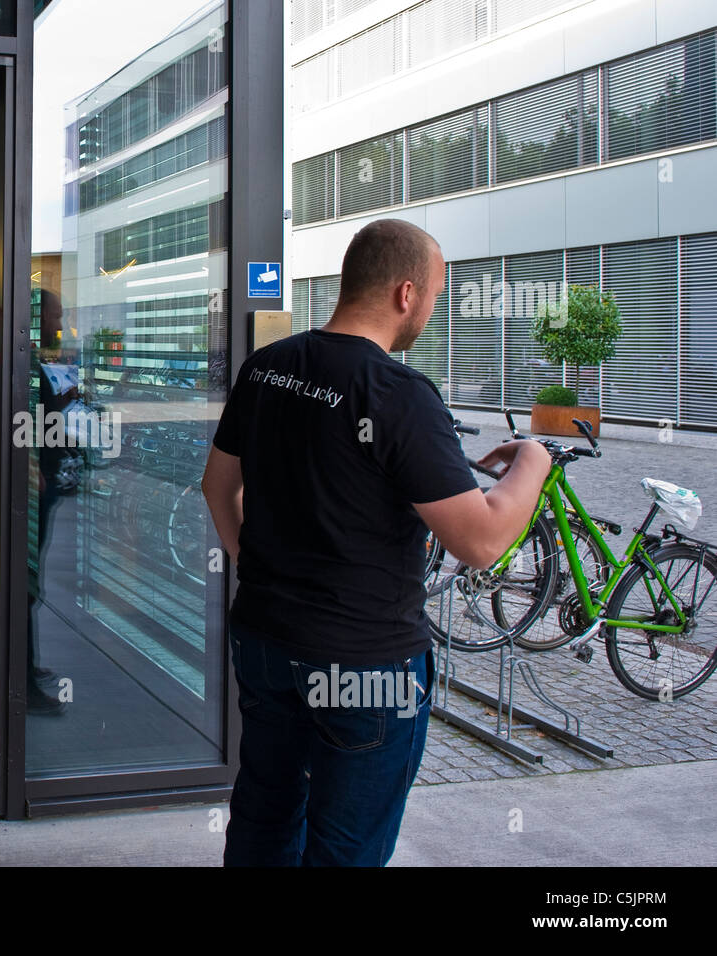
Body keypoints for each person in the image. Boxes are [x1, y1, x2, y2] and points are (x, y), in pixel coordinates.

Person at [202, 219, 551, 865]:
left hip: (265, 640)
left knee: (264, 813)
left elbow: (216, 486)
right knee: (345, 846)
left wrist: (253, 563)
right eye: (437, 295)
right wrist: (533, 459)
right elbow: (480, 542)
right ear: (406, 293)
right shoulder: (397, 392)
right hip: (365, 664)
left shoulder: (269, 367)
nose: (431, 309)